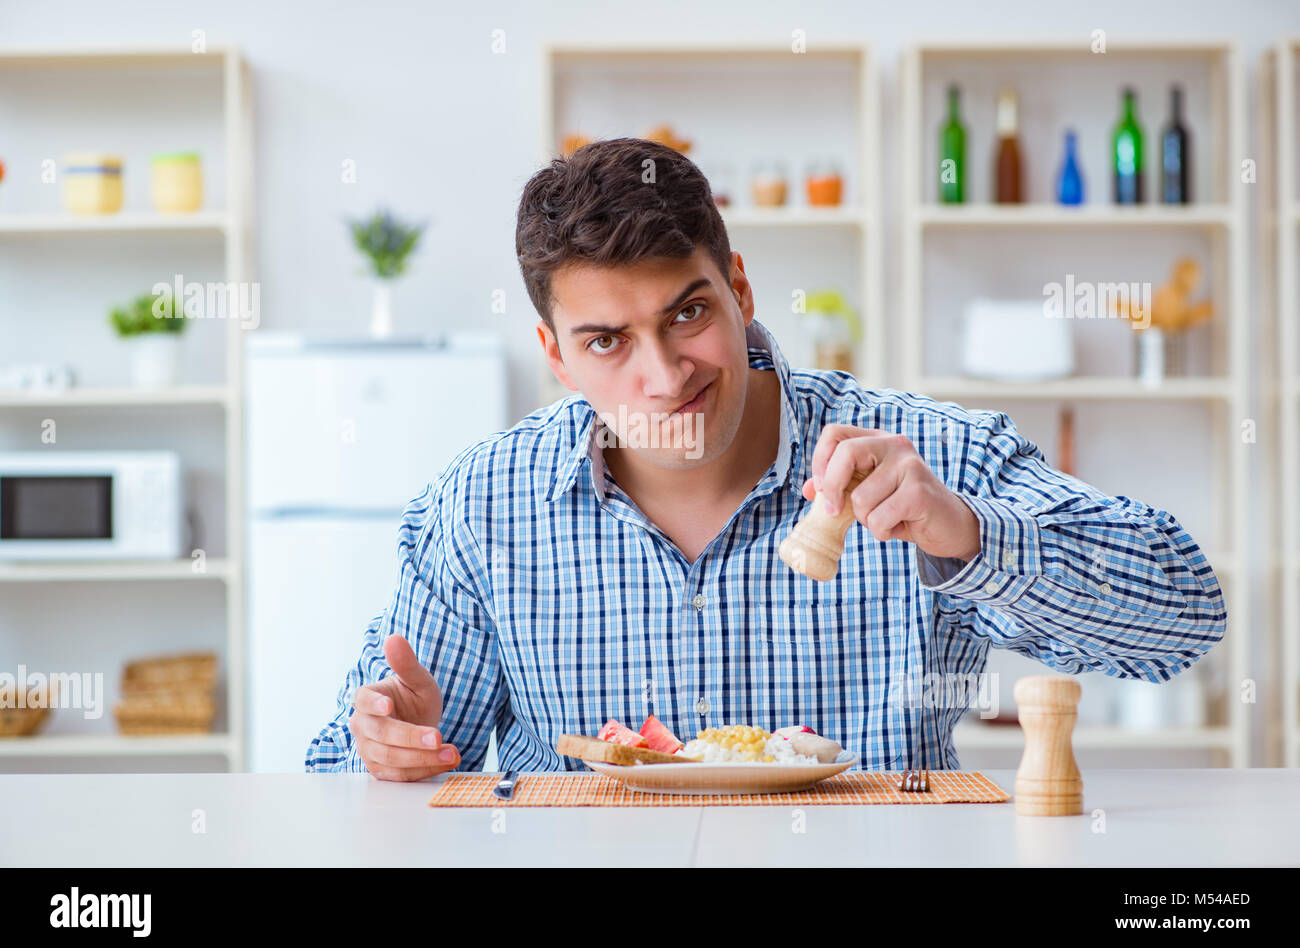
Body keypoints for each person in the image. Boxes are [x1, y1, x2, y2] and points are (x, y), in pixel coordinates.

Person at [306, 137, 1226, 780]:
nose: (662, 376)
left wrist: (971, 538)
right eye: (605, 342)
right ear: (554, 354)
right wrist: (389, 749)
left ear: (738, 287)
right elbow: (347, 777)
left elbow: (1186, 614)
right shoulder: (484, 506)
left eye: (687, 314)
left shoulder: (924, 457)